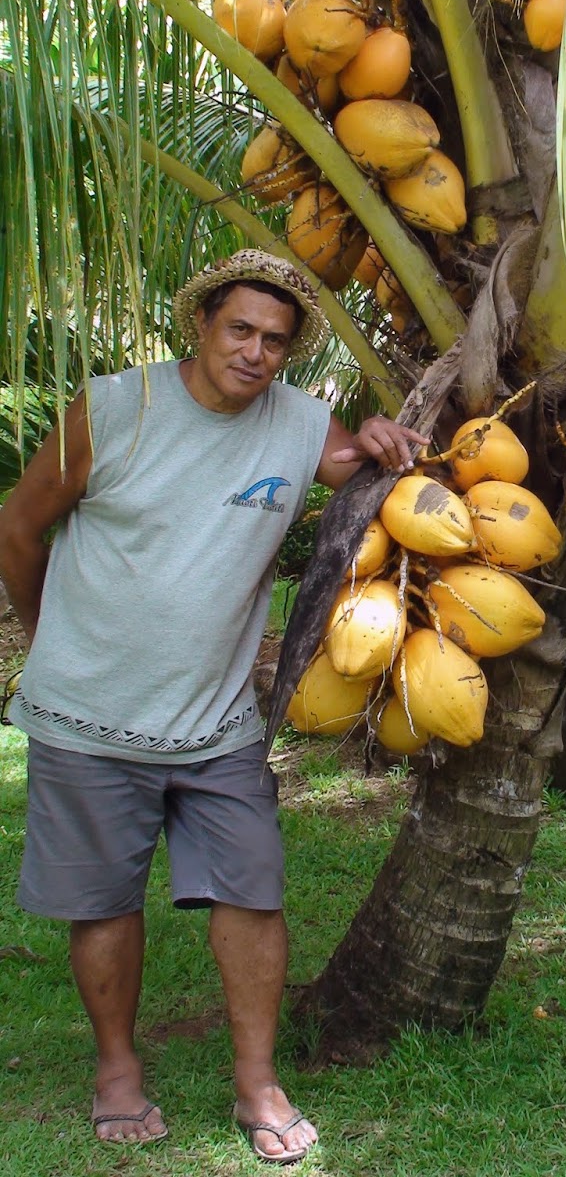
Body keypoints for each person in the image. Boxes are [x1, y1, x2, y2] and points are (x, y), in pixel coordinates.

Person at [0, 249, 427, 1166]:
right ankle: (116, 1070)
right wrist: (48, 637)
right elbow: (20, 525)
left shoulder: (301, 423)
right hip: (88, 714)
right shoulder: (114, 408)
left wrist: (384, 437)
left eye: (275, 341)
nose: (255, 353)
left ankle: (257, 1082)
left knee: (251, 890)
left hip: (216, 721)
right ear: (202, 324)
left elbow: (356, 463)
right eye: (240, 330)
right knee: (103, 898)